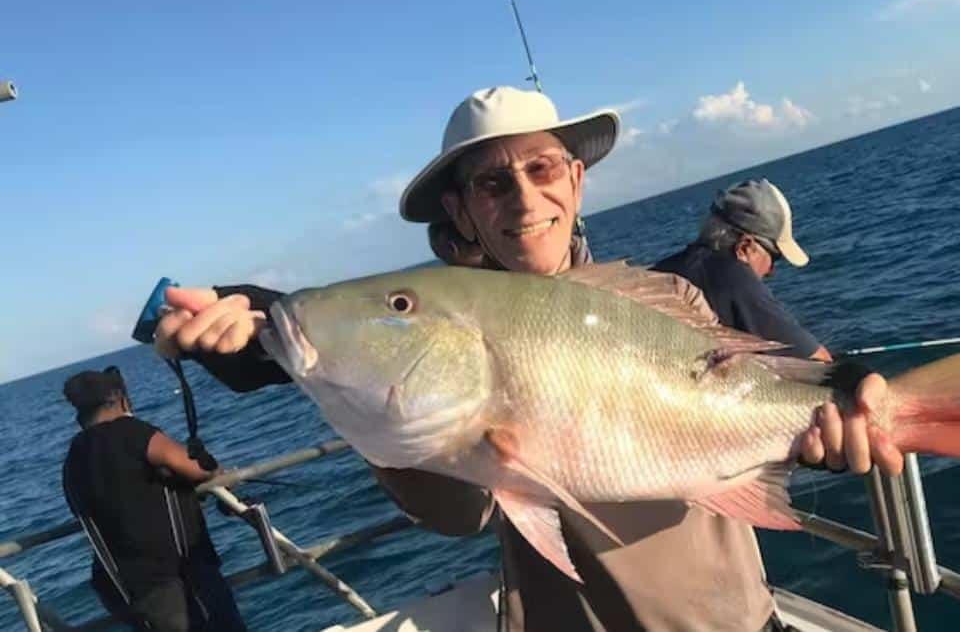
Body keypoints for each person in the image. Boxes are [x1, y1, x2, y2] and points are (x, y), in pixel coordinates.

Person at [152, 86, 903, 631]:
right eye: (490, 182)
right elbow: (461, 509)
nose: (521, 197)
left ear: (575, 179)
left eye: (542, 168)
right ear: (462, 211)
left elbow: (750, 408)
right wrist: (271, 343)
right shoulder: (458, 328)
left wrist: (830, 429)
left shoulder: (672, 294)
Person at [61, 366, 247, 632]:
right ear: (119, 397)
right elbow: (197, 468)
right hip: (175, 576)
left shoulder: (73, 458)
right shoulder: (131, 432)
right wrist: (217, 473)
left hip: (124, 587)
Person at [653, 177, 832, 362]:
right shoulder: (736, 280)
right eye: (774, 257)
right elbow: (820, 361)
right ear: (745, 247)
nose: (772, 271)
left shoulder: (659, 272)